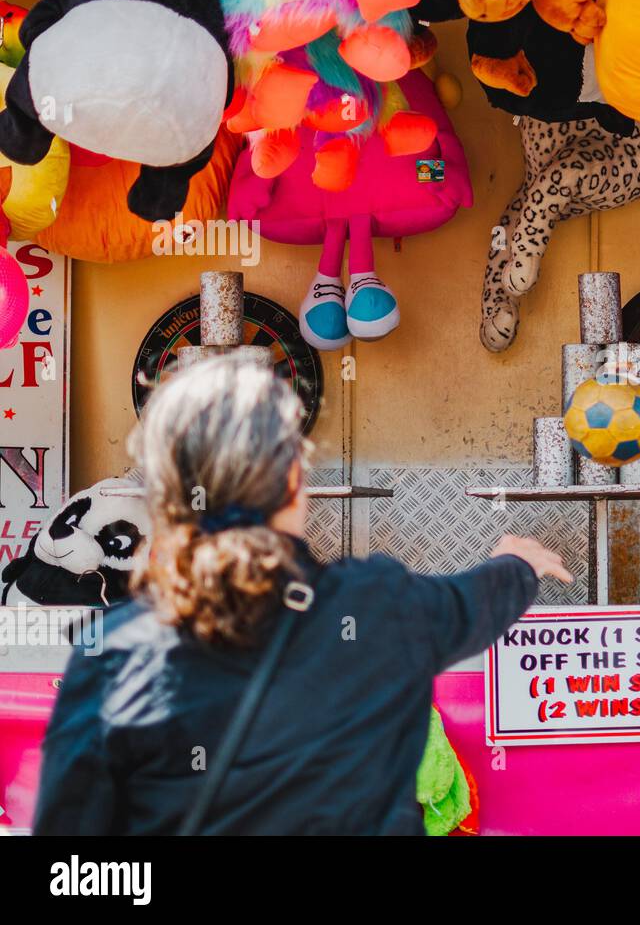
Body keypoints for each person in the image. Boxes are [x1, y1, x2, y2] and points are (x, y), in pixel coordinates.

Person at [34, 355, 571, 835]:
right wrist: (517, 561)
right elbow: (475, 602)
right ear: (293, 482)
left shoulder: (114, 650)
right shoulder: (378, 606)